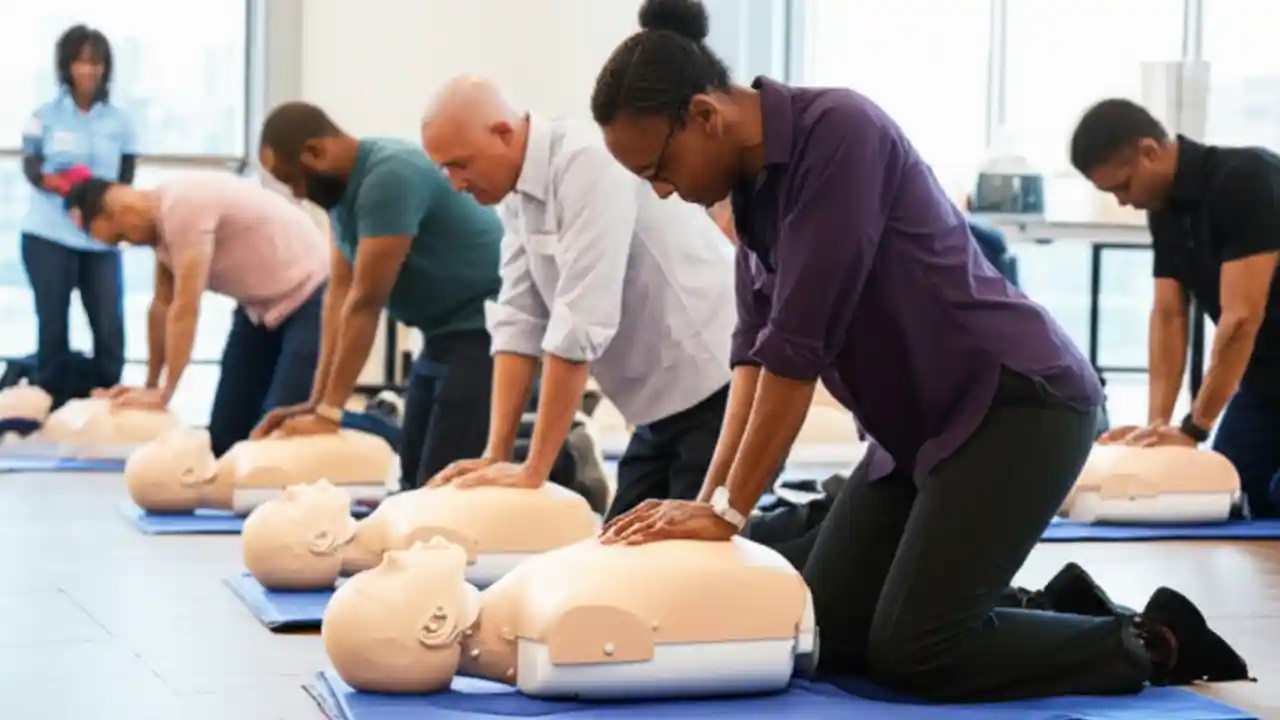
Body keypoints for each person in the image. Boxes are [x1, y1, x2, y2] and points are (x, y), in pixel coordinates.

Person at [589, 0, 1248, 702]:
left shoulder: (839, 133)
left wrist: (729, 513)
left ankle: (1148, 641)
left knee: (916, 653)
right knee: (826, 630)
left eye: (658, 167)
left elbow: (796, 354)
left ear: (704, 115)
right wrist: (708, 504)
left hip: (1019, 403)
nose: (661, 190)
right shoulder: (747, 195)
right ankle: (1050, 607)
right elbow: (751, 359)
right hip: (917, 432)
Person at [418, 77, 736, 520]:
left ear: (504, 133)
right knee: (618, 549)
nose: (454, 184)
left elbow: (581, 321)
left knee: (692, 562)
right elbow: (518, 320)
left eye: (459, 165)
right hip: (656, 407)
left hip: (717, 383)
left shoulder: (588, 161)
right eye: (444, 170)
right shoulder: (514, 196)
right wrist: (497, 453)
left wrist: (535, 469)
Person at [253, 102, 504, 489]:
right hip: (442, 334)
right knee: (411, 475)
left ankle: (563, 461)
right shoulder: (340, 197)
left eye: (294, 180)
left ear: (316, 153)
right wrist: (316, 401)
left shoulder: (389, 175)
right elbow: (338, 295)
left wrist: (331, 412)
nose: (299, 194)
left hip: (488, 328)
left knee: (439, 482)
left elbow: (366, 302)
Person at [1071, 98, 1280, 519]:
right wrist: (1159, 428)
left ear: (1150, 151)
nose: (1123, 202)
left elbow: (1242, 317)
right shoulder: (1164, 212)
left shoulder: (1246, 179)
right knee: (1229, 494)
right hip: (1266, 381)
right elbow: (1168, 315)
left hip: (1263, 359)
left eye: (1123, 186)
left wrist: (1194, 428)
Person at [62, 172, 330, 455]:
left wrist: (167, 391)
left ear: (120, 210)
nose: (129, 244)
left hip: (312, 295)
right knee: (225, 436)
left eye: (122, 238)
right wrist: (150, 386)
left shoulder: (182, 206)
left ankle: (372, 423)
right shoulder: (160, 228)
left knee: (278, 432)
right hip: (258, 310)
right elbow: (162, 306)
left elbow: (186, 305)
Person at [18, 25, 136, 408]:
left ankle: (99, 397)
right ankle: (49, 402)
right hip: (48, 234)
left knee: (109, 331)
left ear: (105, 68)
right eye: (80, 61)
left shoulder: (120, 122)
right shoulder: (44, 116)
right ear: (66, 66)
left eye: (95, 62)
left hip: (99, 239)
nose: (88, 70)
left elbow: (124, 180)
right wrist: (57, 184)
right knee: (52, 325)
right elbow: (32, 167)